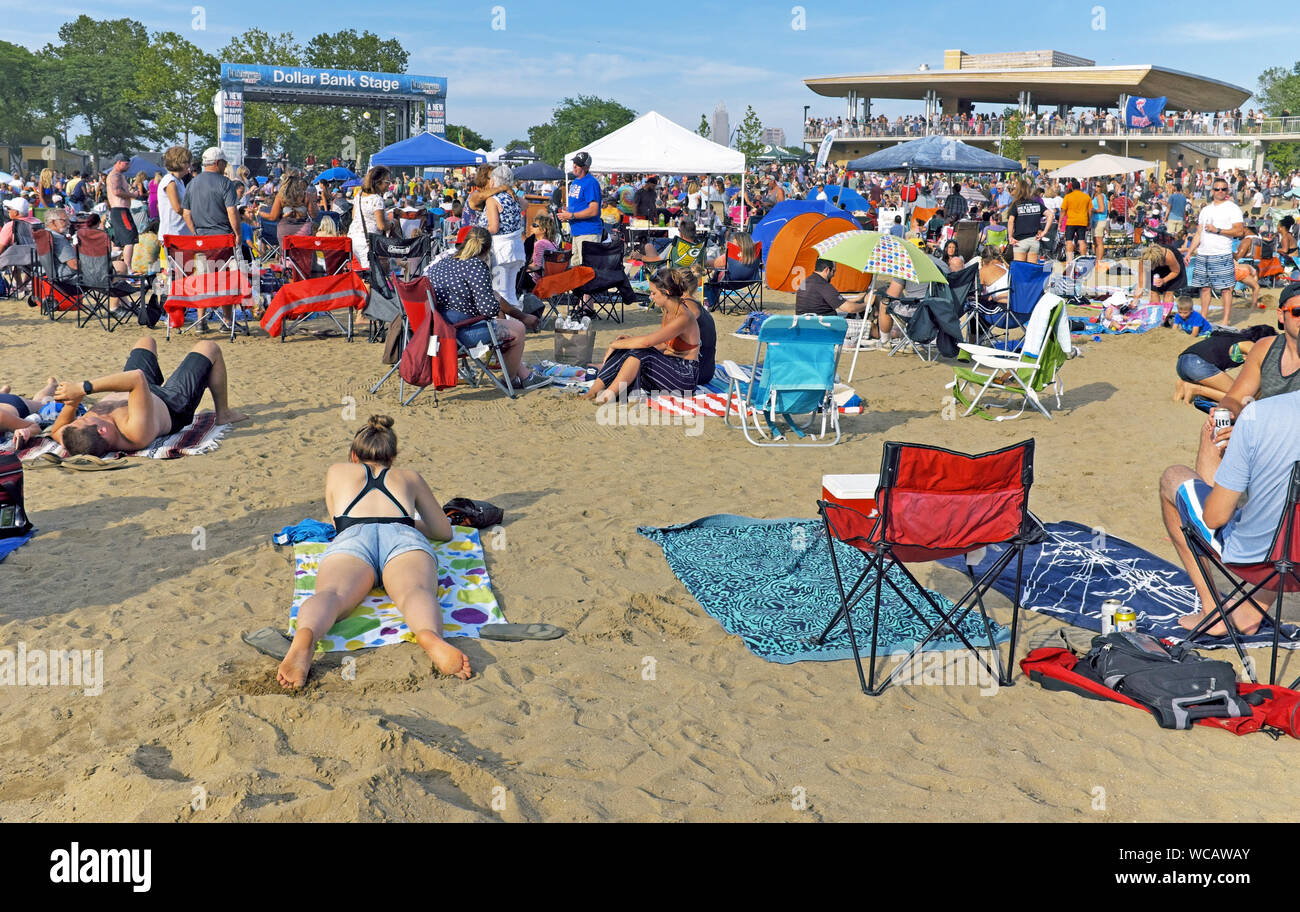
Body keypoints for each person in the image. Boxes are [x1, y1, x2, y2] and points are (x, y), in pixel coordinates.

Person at [276, 415, 470, 689]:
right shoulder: (409, 477)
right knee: (415, 591)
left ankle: (306, 638)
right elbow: (443, 531)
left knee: (331, 595)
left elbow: (336, 521)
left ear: (354, 454)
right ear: (393, 457)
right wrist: (402, 519)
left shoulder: (337, 471)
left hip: (353, 537)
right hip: (402, 536)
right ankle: (428, 636)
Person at [1159, 384, 1300, 636]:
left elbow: (1214, 518)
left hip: (1260, 562)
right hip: (1295, 562)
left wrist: (1234, 457)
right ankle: (1252, 609)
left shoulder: (1261, 415)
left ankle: (1212, 612)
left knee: (1173, 477)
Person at [50, 335, 247, 457]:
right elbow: (137, 378)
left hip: (137, 390)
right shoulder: (134, 432)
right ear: (102, 430)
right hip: (171, 402)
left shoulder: (76, 437)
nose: (81, 417)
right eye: (83, 420)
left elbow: (56, 431)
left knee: (145, 342)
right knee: (209, 347)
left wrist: (72, 403)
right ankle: (224, 413)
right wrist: (83, 388)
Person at [422, 227, 546, 389]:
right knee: (517, 329)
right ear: (487, 249)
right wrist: (495, 303)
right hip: (457, 333)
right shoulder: (476, 265)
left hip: (432, 330)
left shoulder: (443, 262)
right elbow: (489, 310)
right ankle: (510, 379)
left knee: (506, 326)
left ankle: (523, 376)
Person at [583, 268, 700, 404]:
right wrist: (626, 343)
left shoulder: (683, 317)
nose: (651, 296)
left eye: (653, 293)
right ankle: (593, 391)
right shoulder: (668, 310)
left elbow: (647, 343)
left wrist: (613, 345)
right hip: (669, 368)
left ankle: (608, 396)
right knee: (628, 346)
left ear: (667, 292)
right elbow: (661, 344)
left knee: (641, 351)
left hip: (684, 377)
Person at [1187, 177, 1246, 325]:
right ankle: (1204, 318)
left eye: (1223, 189)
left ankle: (1225, 320)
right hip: (1203, 254)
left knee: (1226, 289)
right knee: (1205, 288)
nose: (1220, 191)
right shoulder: (1205, 210)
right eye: (1217, 188)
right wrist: (1189, 252)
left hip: (1221, 253)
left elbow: (1239, 232)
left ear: (1228, 191)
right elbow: (1199, 233)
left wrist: (1217, 230)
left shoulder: (1232, 208)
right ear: (1212, 191)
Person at [1173, 324, 1275, 404]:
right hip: (1198, 365)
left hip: (1183, 362)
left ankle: (1184, 385)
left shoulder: (1232, 337)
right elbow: (1265, 364)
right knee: (1240, 398)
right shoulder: (1250, 345)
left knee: (1232, 392)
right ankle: (1196, 389)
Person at [484, 163, 526, 311]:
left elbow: (494, 228)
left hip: (501, 251)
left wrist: (479, 230)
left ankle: (508, 326)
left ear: (494, 181)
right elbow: (525, 204)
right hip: (516, 248)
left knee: (500, 292)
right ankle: (517, 322)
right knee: (510, 291)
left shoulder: (492, 200)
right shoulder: (515, 198)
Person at [559, 151, 602, 264]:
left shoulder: (590, 182)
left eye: (578, 164)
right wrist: (566, 215)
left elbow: (593, 210)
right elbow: (578, 206)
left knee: (588, 269)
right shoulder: (575, 182)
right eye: (574, 163)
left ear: (586, 167)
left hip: (588, 232)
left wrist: (572, 215)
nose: (574, 166)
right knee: (576, 268)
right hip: (577, 232)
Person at [701, 230, 761, 311]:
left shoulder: (732, 253)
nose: (732, 243)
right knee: (719, 272)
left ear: (738, 243)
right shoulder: (755, 253)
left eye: (734, 241)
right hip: (750, 280)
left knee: (712, 279)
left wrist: (701, 261)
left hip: (729, 282)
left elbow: (713, 264)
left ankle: (712, 304)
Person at [347, 166, 392, 269]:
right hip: (367, 242)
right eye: (387, 182)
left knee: (362, 273)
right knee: (371, 275)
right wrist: (392, 224)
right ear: (378, 182)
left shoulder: (359, 195)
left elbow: (354, 216)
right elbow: (381, 226)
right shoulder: (377, 199)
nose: (388, 186)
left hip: (353, 239)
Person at [106, 154, 145, 271]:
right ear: (118, 162)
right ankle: (128, 268)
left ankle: (116, 268)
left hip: (117, 210)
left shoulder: (118, 175)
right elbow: (117, 191)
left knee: (117, 241)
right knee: (130, 238)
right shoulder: (115, 175)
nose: (128, 166)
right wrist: (133, 195)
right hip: (120, 210)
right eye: (126, 164)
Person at [261, 171, 317, 246]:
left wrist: (260, 213)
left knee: (285, 255)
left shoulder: (280, 196)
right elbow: (313, 215)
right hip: (303, 229)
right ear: (298, 180)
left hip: (285, 230)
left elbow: (273, 217)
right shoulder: (306, 195)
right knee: (304, 255)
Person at [0, 378, 58, 449]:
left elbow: (35, 427)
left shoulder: (2, 417)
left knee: (42, 403)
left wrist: (27, 431)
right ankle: (3, 391)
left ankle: (52, 385)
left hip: (15, 405)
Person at [1007, 178, 1051, 263]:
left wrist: (1010, 237)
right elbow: (1050, 215)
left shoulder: (1016, 205)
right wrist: (1044, 232)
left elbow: (1010, 221)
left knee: (1020, 269)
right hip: (1034, 240)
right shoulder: (1036, 204)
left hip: (1020, 241)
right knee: (1031, 268)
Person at [156, 146, 190, 242]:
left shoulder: (179, 181)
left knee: (185, 257)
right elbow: (178, 208)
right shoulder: (170, 181)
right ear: (181, 163)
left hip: (181, 232)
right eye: (187, 162)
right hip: (173, 234)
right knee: (178, 258)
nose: (189, 165)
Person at [1144, 234, 1186, 304]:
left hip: (1173, 267)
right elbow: (1142, 277)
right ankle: (1155, 312)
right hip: (1154, 260)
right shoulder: (1145, 257)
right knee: (1153, 291)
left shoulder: (1168, 257)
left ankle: (1166, 314)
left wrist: (1164, 280)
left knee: (1169, 292)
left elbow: (1176, 271)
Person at [1060, 179, 1093, 261]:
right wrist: (1089, 221)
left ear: (1072, 188)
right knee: (1081, 241)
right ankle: (1084, 259)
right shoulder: (1086, 197)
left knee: (1069, 241)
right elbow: (1090, 211)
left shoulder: (1068, 197)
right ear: (1080, 187)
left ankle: (1069, 261)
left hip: (1071, 221)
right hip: (1082, 221)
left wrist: (1060, 222)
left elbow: (1063, 211)